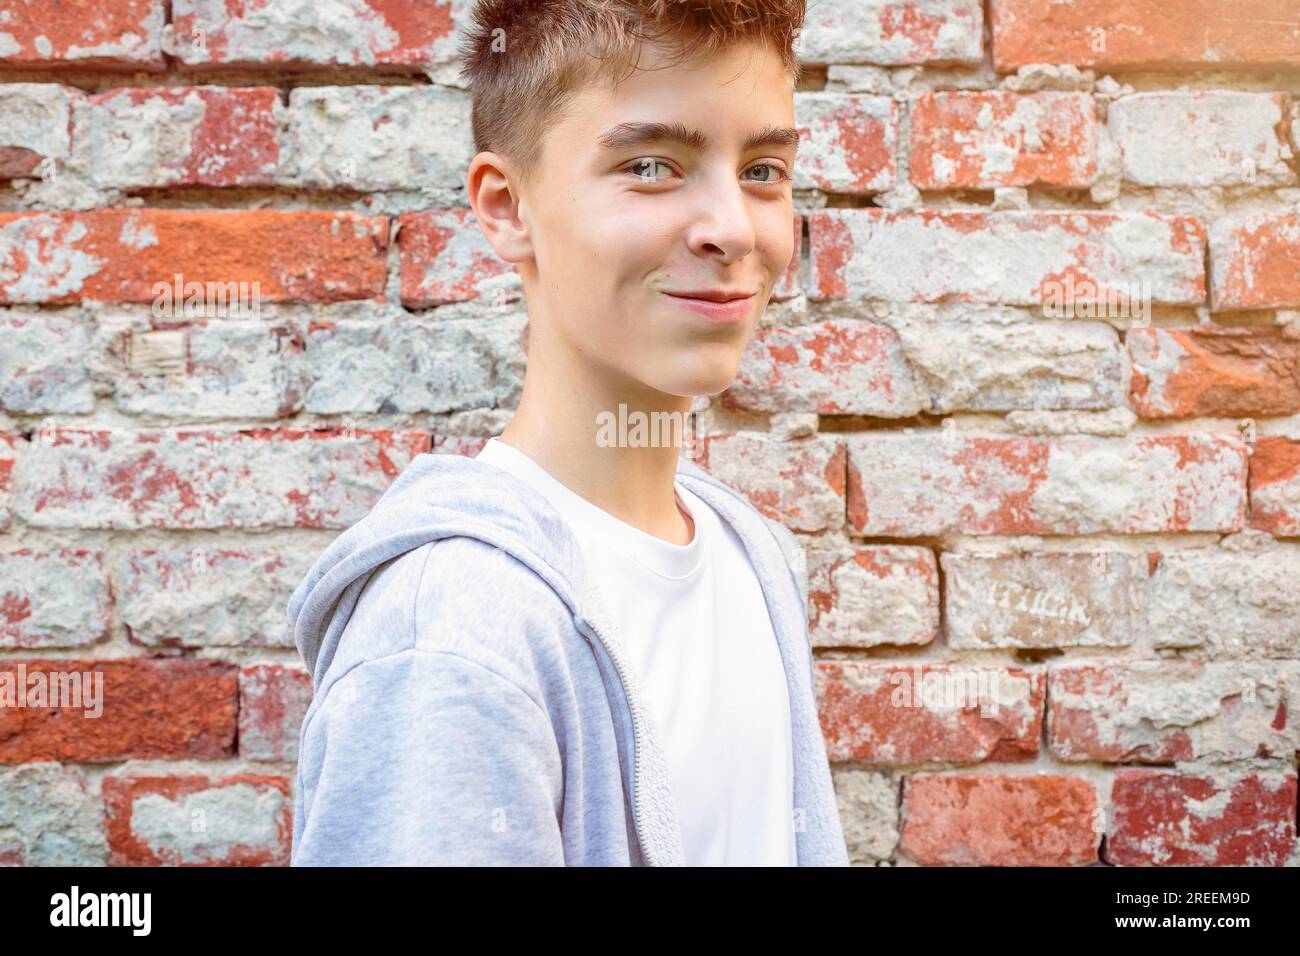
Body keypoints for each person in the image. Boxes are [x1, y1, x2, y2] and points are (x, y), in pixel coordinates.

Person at [287, 0, 848, 866]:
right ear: (507, 206)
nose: (735, 229)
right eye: (652, 166)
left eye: (763, 170)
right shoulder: (454, 633)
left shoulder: (754, 559)